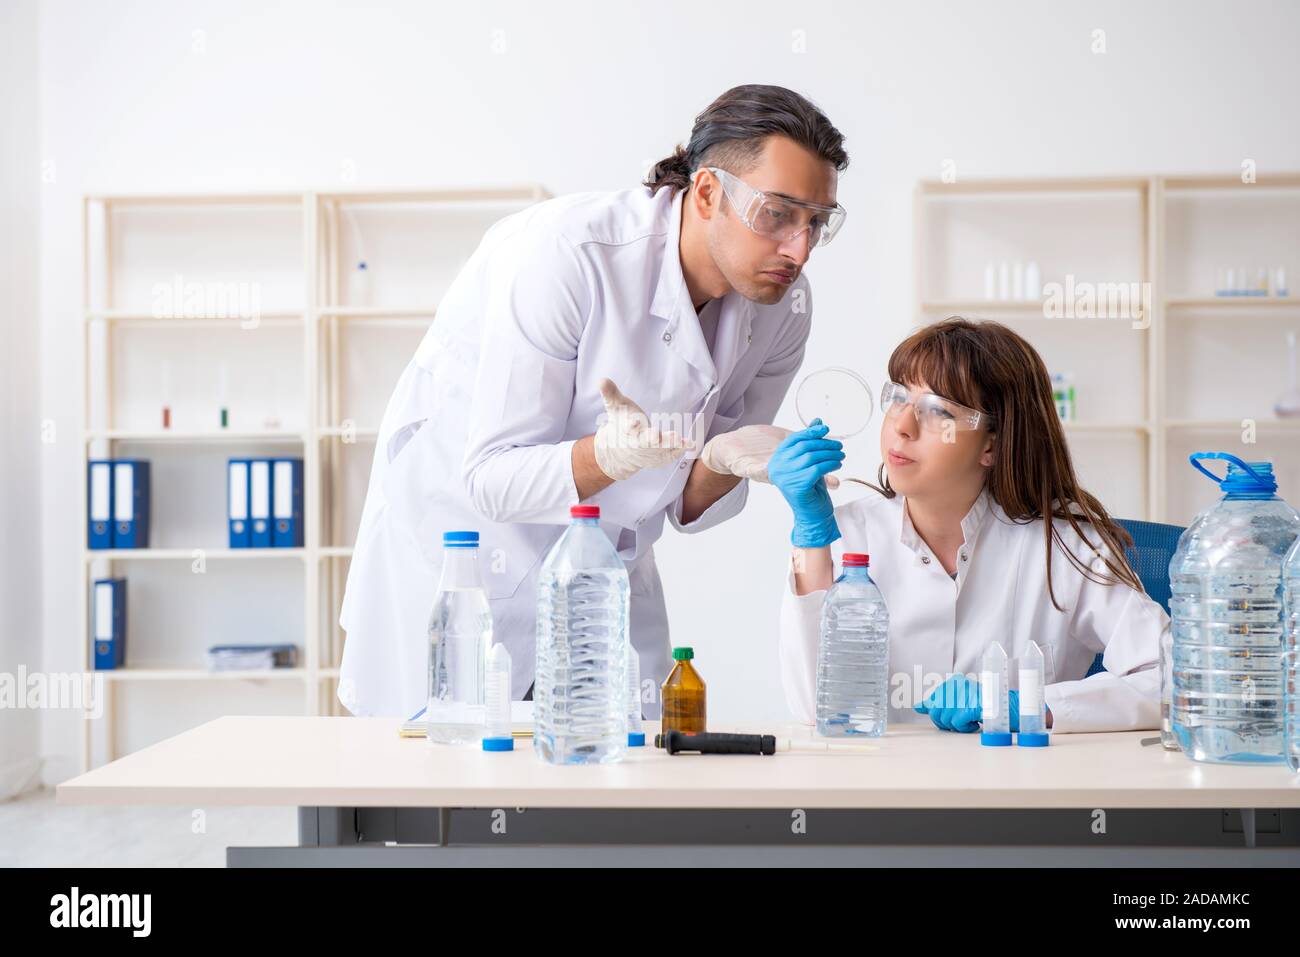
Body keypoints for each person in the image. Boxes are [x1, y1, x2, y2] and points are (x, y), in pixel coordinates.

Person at [338, 84, 849, 718]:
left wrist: (719, 462)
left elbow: (685, 502)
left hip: (605, 568)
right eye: (778, 213)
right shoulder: (567, 253)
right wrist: (609, 456)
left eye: (817, 223)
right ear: (709, 192)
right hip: (464, 563)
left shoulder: (782, 309)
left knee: (621, 776)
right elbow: (492, 480)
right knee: (439, 790)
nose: (798, 250)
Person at [771, 318, 1166, 733]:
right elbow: (816, 708)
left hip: (1020, 786)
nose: (902, 426)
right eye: (899, 398)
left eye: (937, 410)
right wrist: (811, 535)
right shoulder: (850, 534)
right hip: (881, 785)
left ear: (992, 445)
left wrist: (1032, 707)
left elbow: (1173, 679)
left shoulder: (1063, 544)